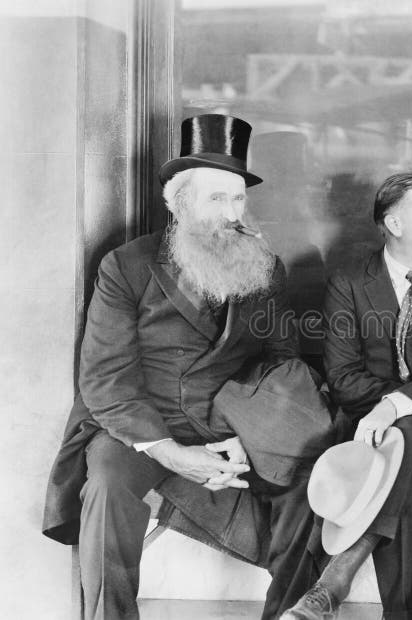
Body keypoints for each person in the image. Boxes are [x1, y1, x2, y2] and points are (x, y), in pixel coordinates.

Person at [42, 114, 334, 620]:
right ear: (178, 203)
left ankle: (289, 614)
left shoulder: (264, 269)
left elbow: (281, 361)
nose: (231, 212)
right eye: (215, 198)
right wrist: (171, 452)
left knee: (308, 482)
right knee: (108, 480)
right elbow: (104, 378)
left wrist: (253, 434)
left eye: (238, 197)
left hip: (231, 427)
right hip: (143, 429)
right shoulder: (126, 266)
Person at [282, 172, 412, 620]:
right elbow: (344, 377)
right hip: (379, 433)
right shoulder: (349, 282)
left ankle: (335, 580)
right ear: (394, 224)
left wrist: (400, 405)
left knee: (406, 437)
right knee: (402, 470)